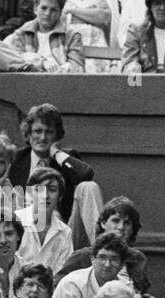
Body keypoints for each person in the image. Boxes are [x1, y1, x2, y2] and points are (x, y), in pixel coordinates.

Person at [6, 104, 100, 248]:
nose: (42, 138)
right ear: (28, 133)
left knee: (88, 186)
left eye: (48, 132)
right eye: (38, 131)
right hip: (24, 236)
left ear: (56, 135)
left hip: (65, 233)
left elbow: (86, 175)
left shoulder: (66, 159)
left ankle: (105, 249)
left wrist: (56, 153)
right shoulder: (16, 160)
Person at [0, 0, 85, 73]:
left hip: (56, 82)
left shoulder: (71, 36)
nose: (48, 13)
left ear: (60, 12)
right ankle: (33, 71)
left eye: (53, 10)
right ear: (35, 8)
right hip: (26, 82)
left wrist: (56, 70)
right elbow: (9, 56)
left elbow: (78, 69)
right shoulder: (23, 32)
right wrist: (40, 62)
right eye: (44, 8)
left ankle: (38, 73)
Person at [52, 232, 131, 298]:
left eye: (114, 259)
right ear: (92, 259)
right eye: (102, 257)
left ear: (122, 265)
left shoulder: (126, 288)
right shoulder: (72, 284)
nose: (107, 264)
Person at [15, 167, 71, 273]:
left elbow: (62, 272)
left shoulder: (65, 232)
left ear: (60, 196)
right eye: (39, 189)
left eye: (52, 190)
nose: (45, 196)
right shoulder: (15, 221)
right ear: (31, 193)